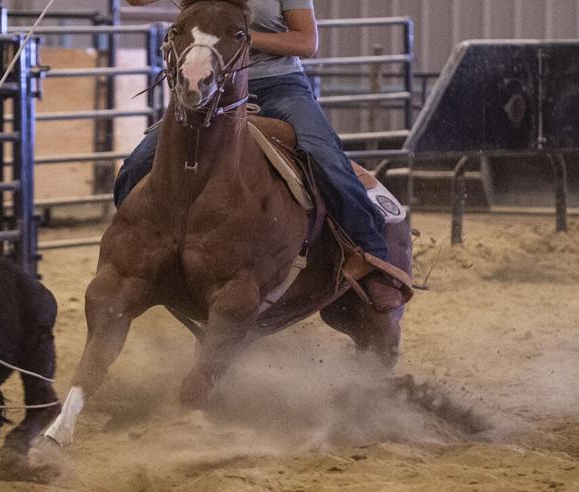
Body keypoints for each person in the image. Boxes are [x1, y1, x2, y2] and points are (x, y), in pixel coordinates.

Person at [116, 0, 401, 311]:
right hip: (214, 89)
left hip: (279, 86)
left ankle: (371, 258)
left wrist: (241, 37)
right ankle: (136, 258)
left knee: (324, 155)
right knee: (137, 166)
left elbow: (307, 42)